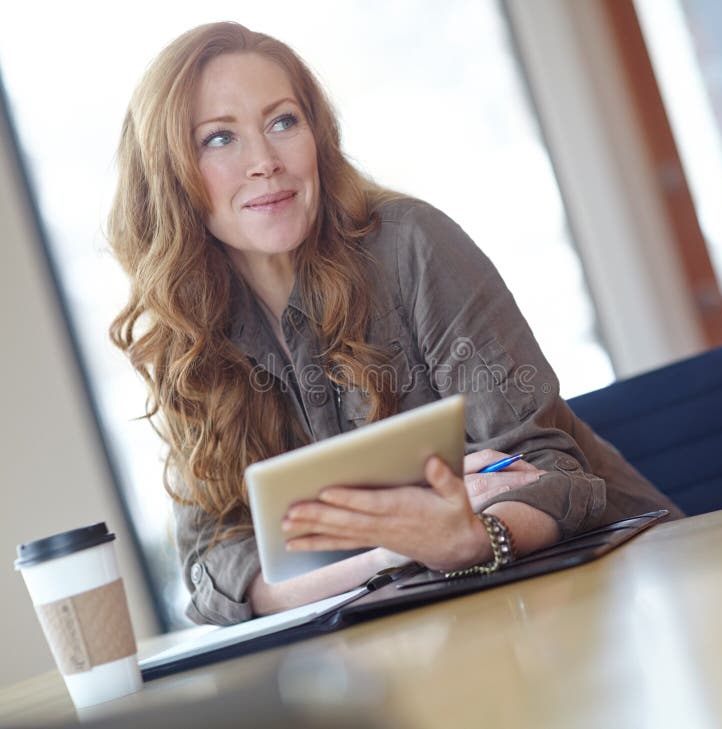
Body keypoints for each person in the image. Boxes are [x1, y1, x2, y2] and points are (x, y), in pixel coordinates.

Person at [108, 21, 683, 626]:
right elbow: (213, 570)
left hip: (631, 594)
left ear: (318, 136)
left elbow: (551, 472)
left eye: (283, 122)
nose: (265, 162)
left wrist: (468, 537)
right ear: (169, 175)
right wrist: (391, 550)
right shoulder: (187, 331)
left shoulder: (411, 246)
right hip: (454, 634)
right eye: (219, 138)